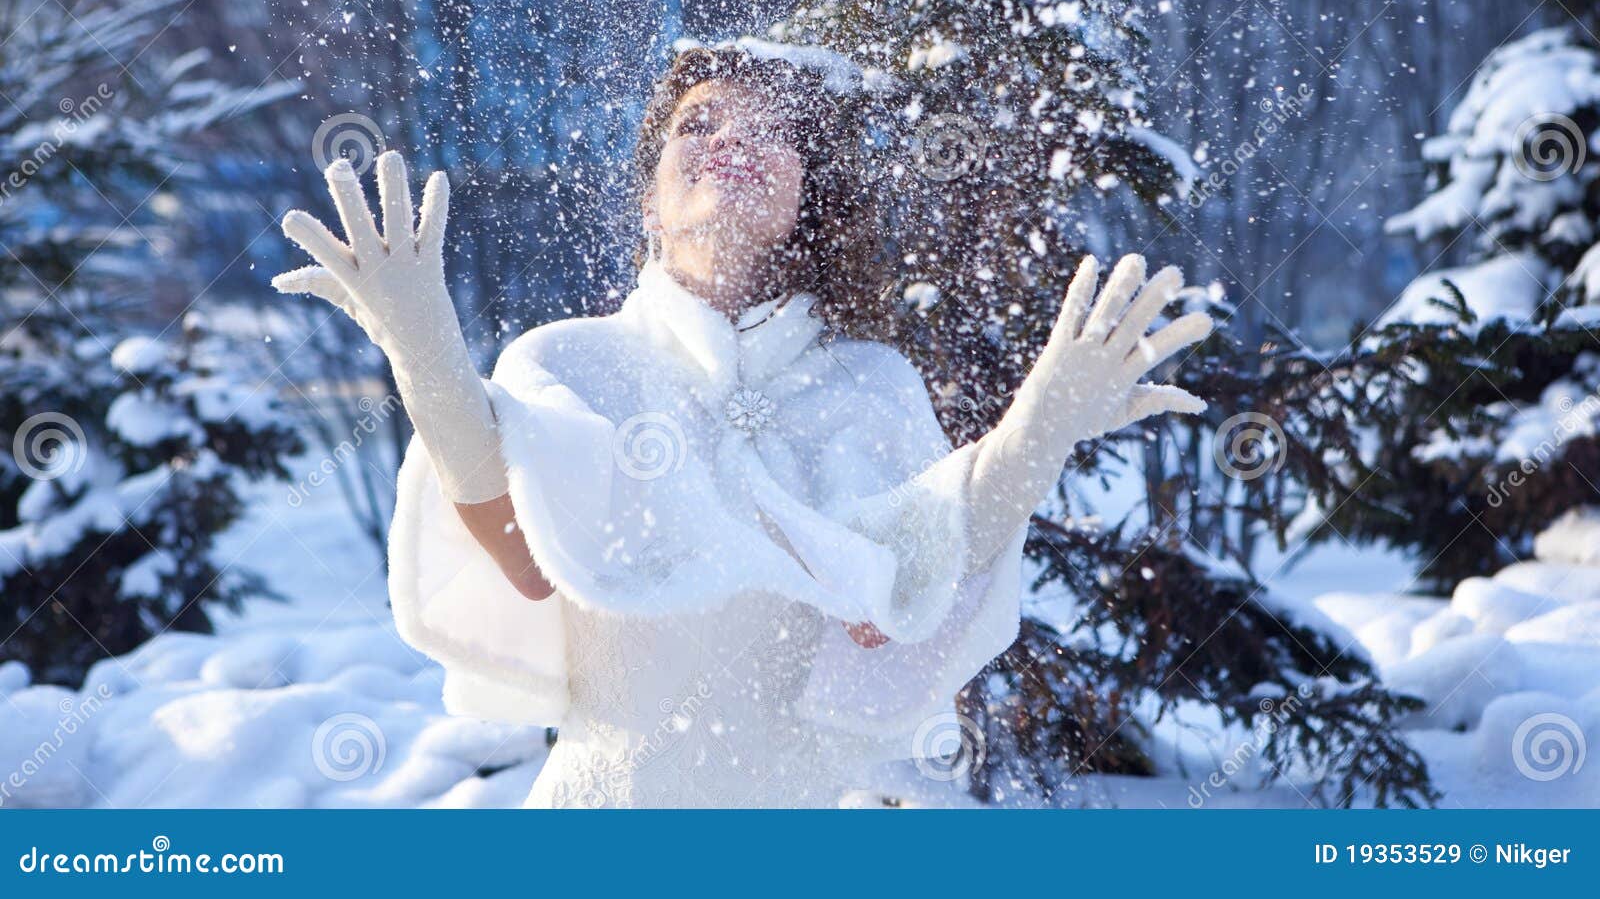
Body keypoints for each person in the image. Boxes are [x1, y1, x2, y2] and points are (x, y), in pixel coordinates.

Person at [273, 46, 1212, 807]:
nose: (732, 140)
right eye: (700, 122)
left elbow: (914, 589)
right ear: (647, 198)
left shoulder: (871, 386)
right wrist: (426, 354)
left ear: (808, 201)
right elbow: (522, 560)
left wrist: (1041, 429)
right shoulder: (570, 364)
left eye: (772, 132)